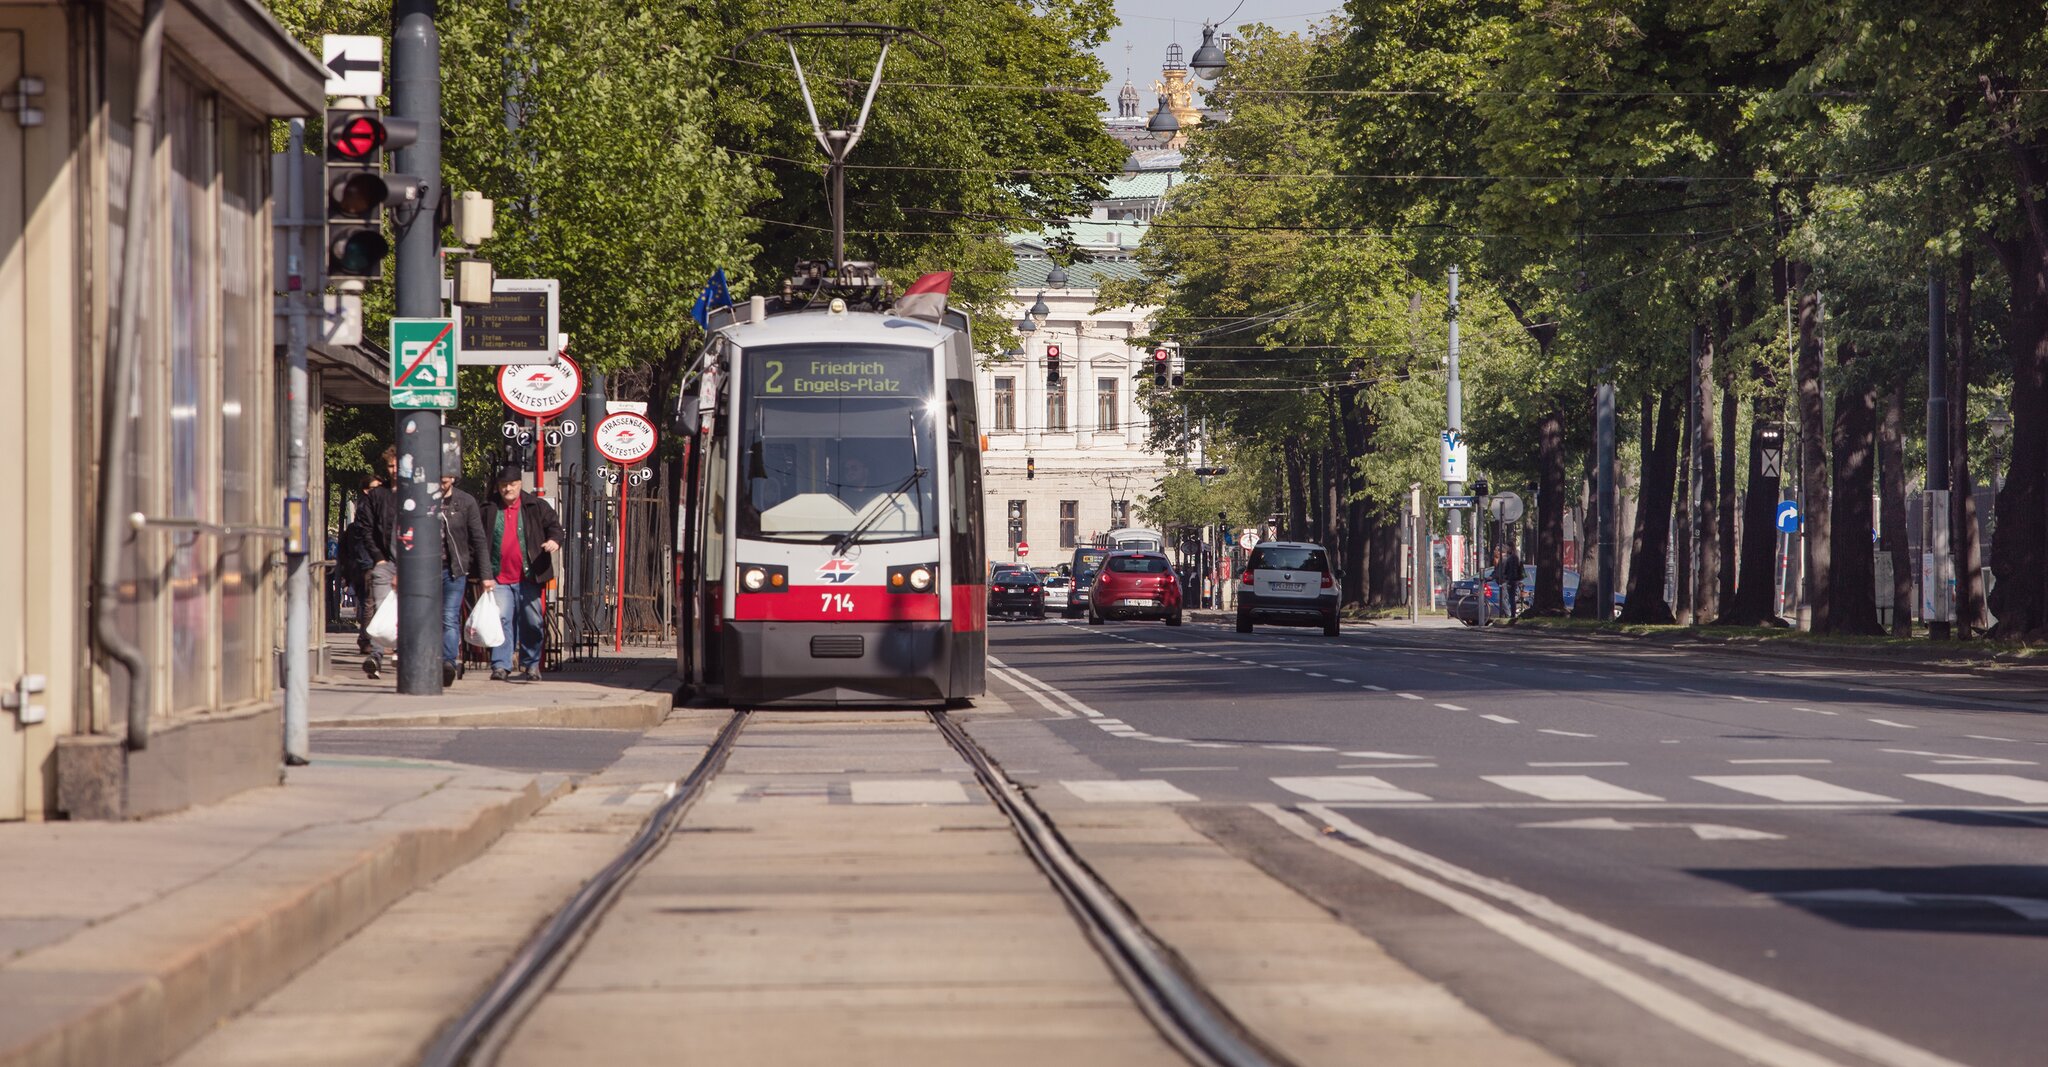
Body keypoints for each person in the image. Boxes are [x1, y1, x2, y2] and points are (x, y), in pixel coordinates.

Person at [485, 465, 564, 681]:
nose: (507, 489)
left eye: (511, 484)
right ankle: (501, 665)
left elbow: (555, 527)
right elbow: (479, 538)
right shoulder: (489, 507)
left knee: (532, 621)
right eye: (503, 485)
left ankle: (531, 664)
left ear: (520, 484)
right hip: (499, 577)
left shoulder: (535, 506)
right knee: (502, 619)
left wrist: (554, 541)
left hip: (529, 576)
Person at [435, 472, 493, 686]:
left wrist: (486, 575)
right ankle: (430, 660)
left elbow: (478, 539)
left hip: (455, 570)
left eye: (445, 480)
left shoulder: (465, 501)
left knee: (449, 617)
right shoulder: (421, 499)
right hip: (425, 570)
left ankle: (448, 663)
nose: (442, 484)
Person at [349, 447, 400, 676]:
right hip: (385, 562)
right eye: (390, 466)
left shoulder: (418, 494)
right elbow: (365, 528)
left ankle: (403, 651)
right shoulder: (378, 496)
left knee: (409, 610)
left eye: (398, 465)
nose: (395, 471)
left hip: (413, 563)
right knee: (381, 608)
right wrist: (378, 558)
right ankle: (377, 656)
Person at [1498, 543, 1526, 622]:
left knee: (1511, 598)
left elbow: (1512, 571)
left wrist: (1510, 581)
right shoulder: (1515, 557)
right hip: (1513, 580)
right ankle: (1511, 614)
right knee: (1510, 598)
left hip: (1512, 581)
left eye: (1507, 547)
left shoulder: (1512, 558)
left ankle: (1512, 615)